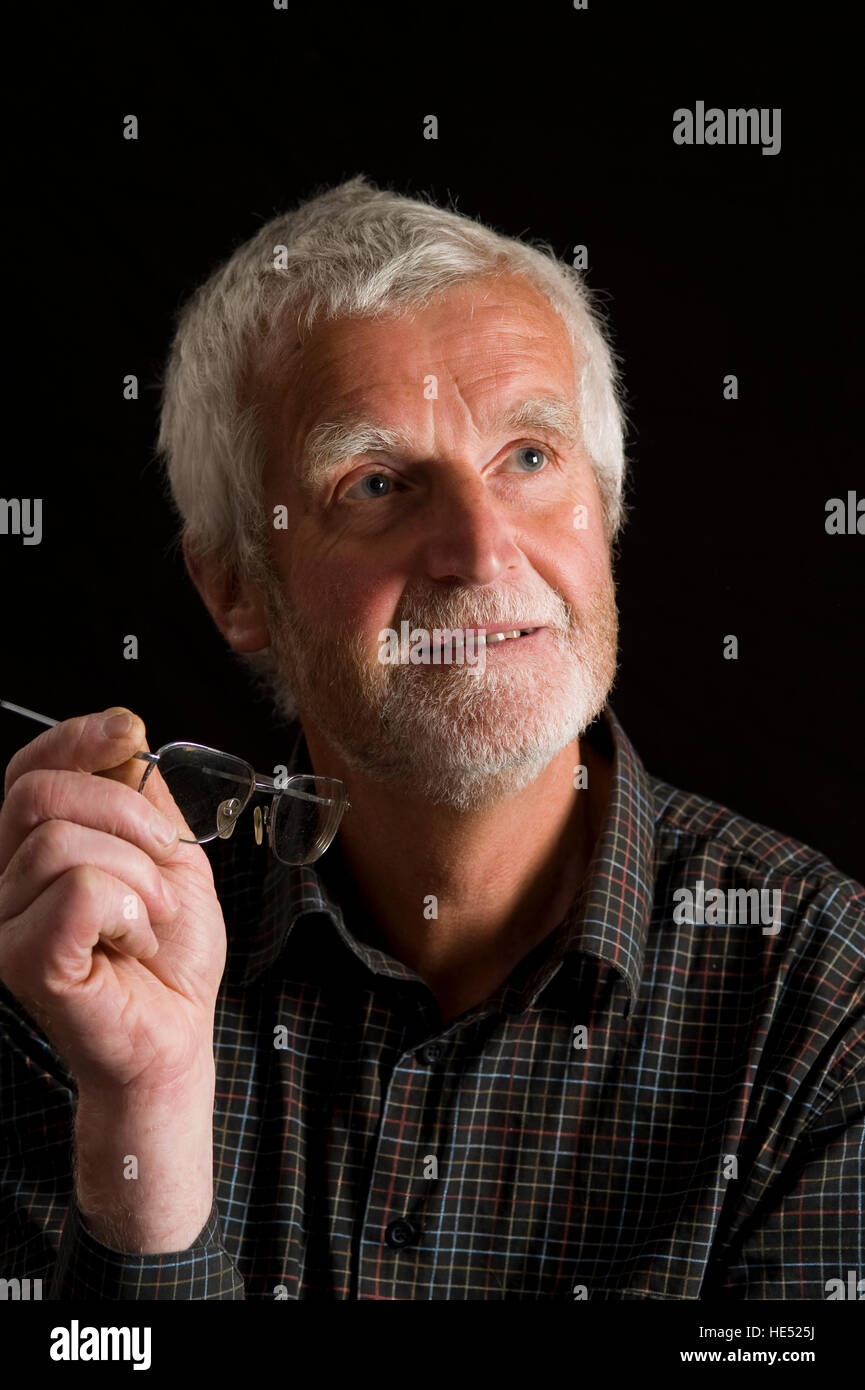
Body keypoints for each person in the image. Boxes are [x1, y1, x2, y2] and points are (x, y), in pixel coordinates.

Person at [0, 177, 862, 1301]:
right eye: (377, 482)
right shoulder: (81, 972)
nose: (481, 547)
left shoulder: (821, 1002)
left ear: (603, 508)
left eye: (529, 458)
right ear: (234, 589)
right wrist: (148, 1113)